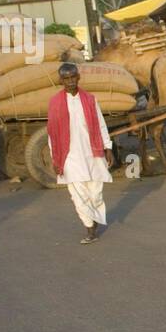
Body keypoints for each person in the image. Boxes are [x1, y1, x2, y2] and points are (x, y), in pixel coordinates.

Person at [47, 63, 112, 244]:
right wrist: (55, 158)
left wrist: (108, 148)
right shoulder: (55, 102)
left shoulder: (90, 99)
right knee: (78, 195)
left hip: (93, 152)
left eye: (73, 77)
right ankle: (89, 228)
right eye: (66, 79)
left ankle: (94, 217)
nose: (70, 82)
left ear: (78, 77)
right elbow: (52, 132)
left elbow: (100, 124)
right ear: (60, 80)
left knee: (96, 193)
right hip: (69, 156)